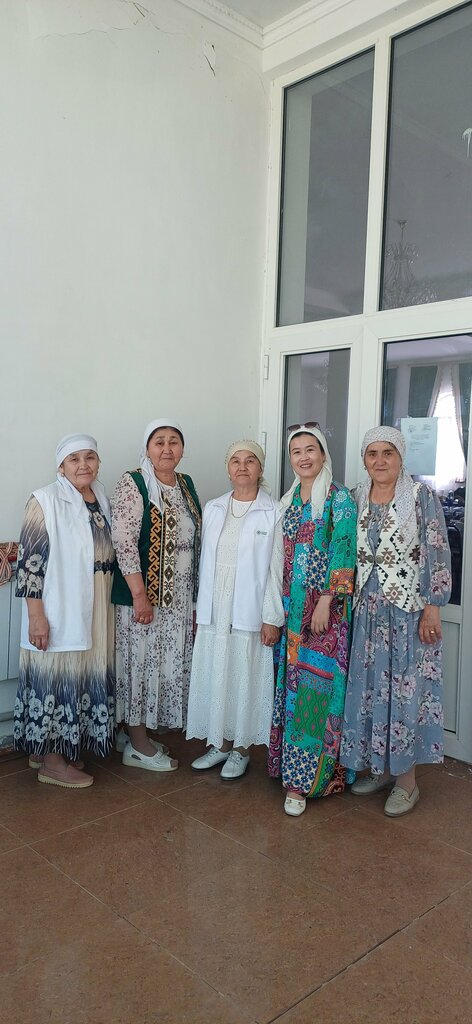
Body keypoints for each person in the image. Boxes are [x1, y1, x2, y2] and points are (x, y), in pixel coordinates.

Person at [341, 426, 452, 817]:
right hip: (367, 611)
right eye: (372, 453)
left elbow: (437, 551)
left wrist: (433, 605)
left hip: (407, 613)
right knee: (371, 689)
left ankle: (407, 782)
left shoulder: (420, 497)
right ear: (364, 460)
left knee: (405, 693)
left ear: (401, 456)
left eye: (388, 452)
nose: (380, 461)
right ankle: (381, 768)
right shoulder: (355, 497)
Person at [13, 434, 115, 789]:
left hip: (95, 601)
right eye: (74, 459)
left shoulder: (100, 497)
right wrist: (37, 616)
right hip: (60, 605)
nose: (83, 465)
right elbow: (29, 565)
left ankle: (48, 750)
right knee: (56, 679)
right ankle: (53, 763)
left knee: (79, 676)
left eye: (90, 457)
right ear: (61, 466)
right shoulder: (44, 500)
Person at [268, 424, 357, 816]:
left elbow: (344, 550)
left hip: (323, 616)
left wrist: (326, 601)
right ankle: (288, 766)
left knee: (314, 692)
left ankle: (303, 783)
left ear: (323, 454)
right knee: (290, 689)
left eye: (310, 450)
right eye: (296, 452)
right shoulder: (288, 501)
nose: (303, 457)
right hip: (291, 614)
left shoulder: (339, 499)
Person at [187, 441, 284, 779]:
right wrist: (200, 610)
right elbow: (202, 564)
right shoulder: (213, 507)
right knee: (218, 674)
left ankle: (242, 749)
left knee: (244, 677)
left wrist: (272, 616)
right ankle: (220, 744)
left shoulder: (274, 511)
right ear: (227, 468)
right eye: (235, 461)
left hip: (250, 608)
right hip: (216, 605)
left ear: (261, 468)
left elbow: (277, 569)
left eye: (250, 461)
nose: (242, 467)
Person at [111, 418, 201, 772]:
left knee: (161, 667)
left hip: (178, 598)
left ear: (182, 448)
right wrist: (139, 595)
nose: (167, 449)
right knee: (140, 665)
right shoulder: (133, 482)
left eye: (174, 442)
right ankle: (137, 744)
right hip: (144, 597)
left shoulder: (186, 483)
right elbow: (124, 541)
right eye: (159, 442)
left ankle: (139, 732)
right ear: (147, 448)